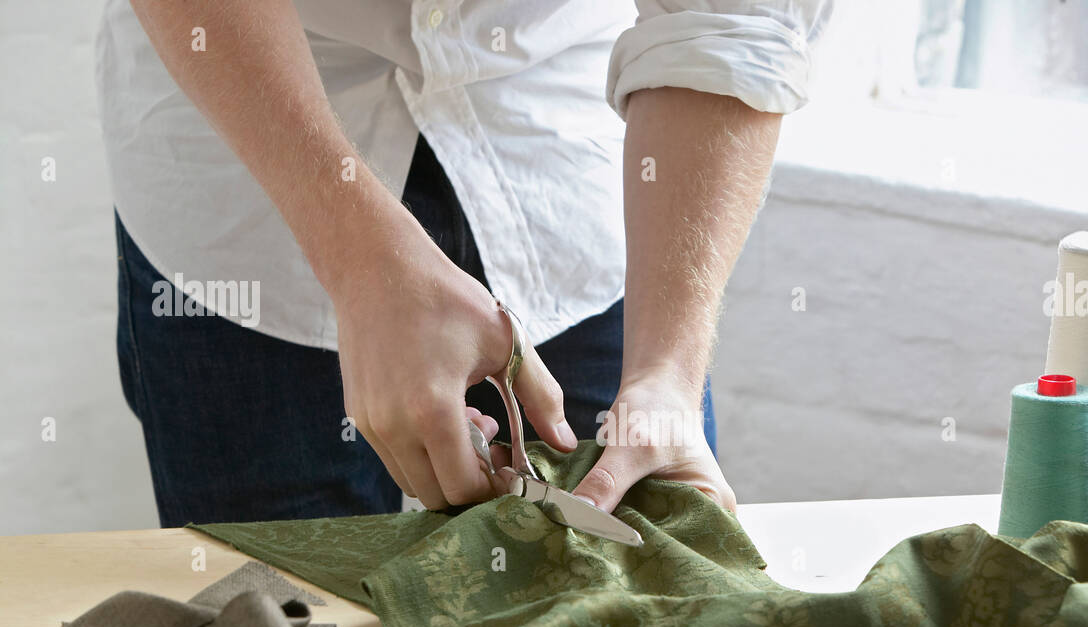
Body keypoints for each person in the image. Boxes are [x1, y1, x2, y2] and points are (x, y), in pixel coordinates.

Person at [100, 0, 829, 525]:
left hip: (571, 164)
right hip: (252, 154)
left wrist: (666, 377)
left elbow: (729, 20)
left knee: (651, 580)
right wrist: (360, 264)